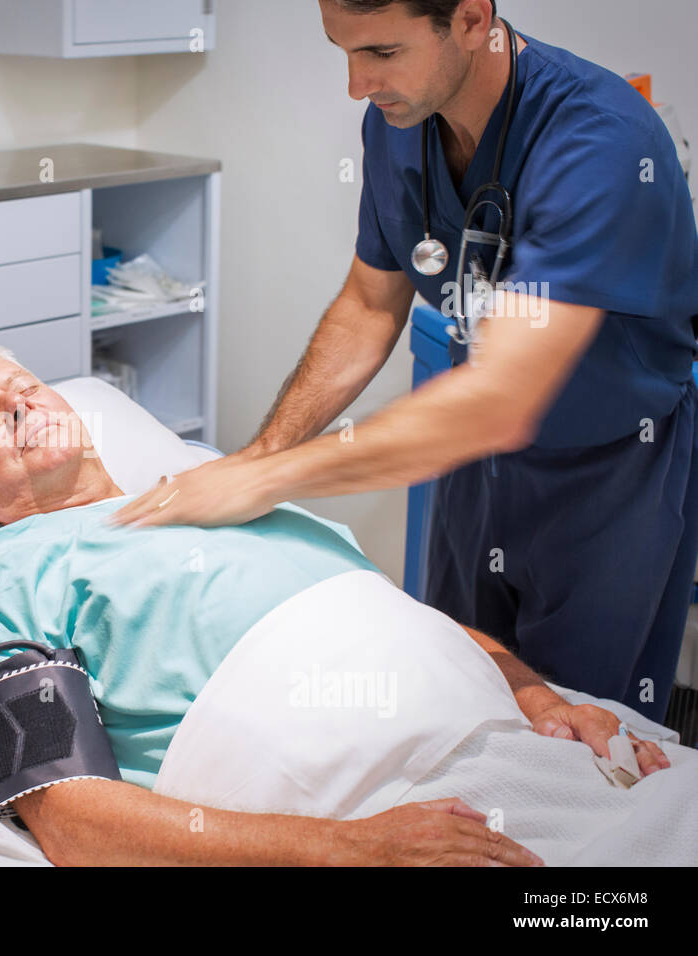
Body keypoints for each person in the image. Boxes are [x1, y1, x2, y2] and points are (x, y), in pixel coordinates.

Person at [111, 0, 698, 726]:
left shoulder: (599, 139)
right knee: (458, 694)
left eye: (382, 53)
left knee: (588, 734)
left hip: (606, 479)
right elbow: (369, 304)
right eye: (343, 53)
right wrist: (258, 454)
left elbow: (502, 400)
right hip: (471, 474)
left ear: (472, 20)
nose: (358, 85)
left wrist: (268, 479)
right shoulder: (401, 124)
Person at [0, 337, 676, 866]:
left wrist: (539, 696)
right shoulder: (0, 579)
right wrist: (357, 847)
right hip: (383, 812)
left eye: (26, 389)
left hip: (528, 753)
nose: (20, 408)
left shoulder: (230, 495)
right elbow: (71, 819)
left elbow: (411, 620)